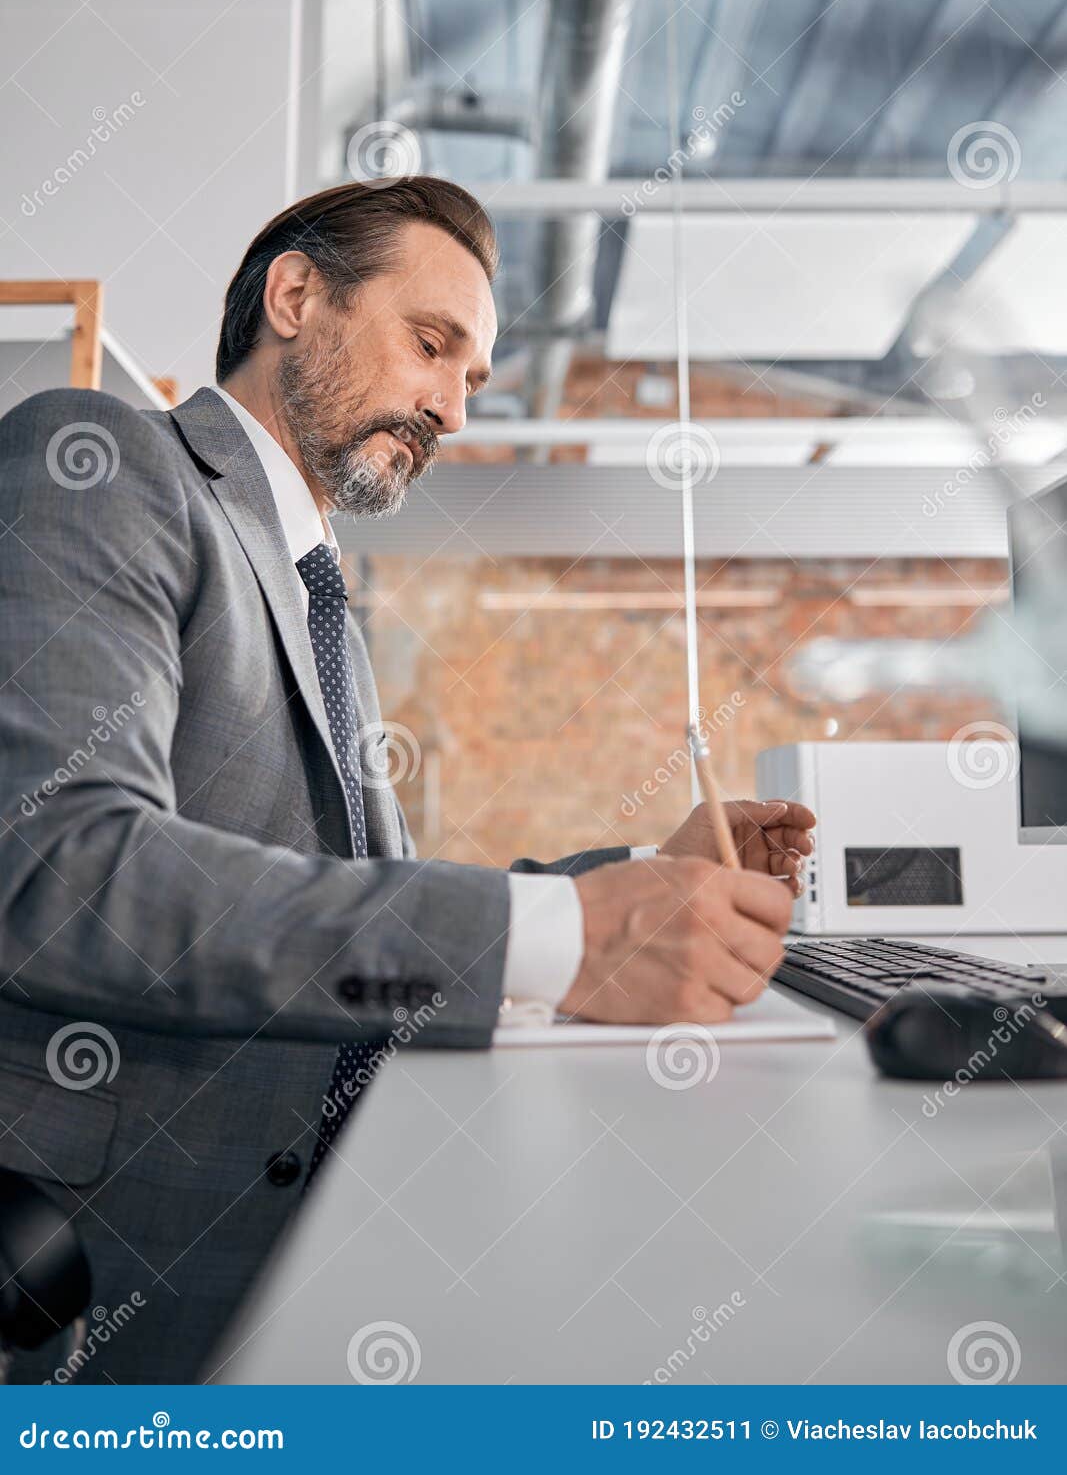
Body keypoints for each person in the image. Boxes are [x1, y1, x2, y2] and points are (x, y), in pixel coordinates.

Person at [0, 177, 813, 1383]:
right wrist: (563, 937)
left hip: (298, 1238)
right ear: (293, 296)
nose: (448, 405)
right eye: (429, 345)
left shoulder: (322, 592)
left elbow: (359, 901)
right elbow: (66, 871)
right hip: (108, 1255)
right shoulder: (108, 461)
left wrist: (642, 874)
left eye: (471, 382)